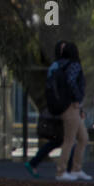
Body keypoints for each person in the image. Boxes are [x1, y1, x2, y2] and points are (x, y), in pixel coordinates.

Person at [26, 40, 74, 177]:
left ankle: (35, 162)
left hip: (60, 107)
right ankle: (66, 170)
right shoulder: (58, 68)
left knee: (60, 140)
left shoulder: (57, 67)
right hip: (61, 108)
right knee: (69, 140)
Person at [54, 42, 91, 181]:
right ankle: (61, 171)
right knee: (69, 140)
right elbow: (71, 81)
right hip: (71, 106)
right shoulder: (74, 65)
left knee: (83, 138)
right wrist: (77, 98)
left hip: (71, 107)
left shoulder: (60, 65)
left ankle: (76, 168)